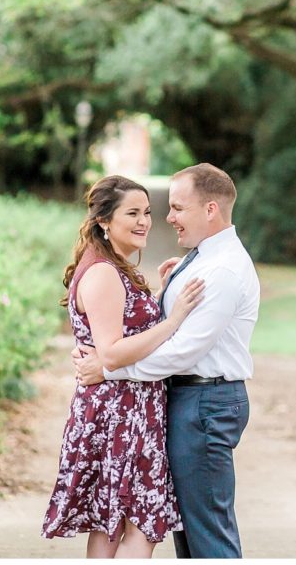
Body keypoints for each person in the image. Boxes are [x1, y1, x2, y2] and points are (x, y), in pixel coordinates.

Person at [74, 163, 260, 559]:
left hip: (205, 404)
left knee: (207, 531)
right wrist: (163, 296)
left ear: (210, 209)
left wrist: (109, 369)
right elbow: (155, 329)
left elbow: (183, 350)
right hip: (186, 402)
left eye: (176, 207)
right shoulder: (200, 258)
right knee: (188, 531)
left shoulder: (222, 268)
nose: (166, 218)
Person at [42, 175, 207, 558]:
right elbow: (113, 353)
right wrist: (174, 319)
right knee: (139, 526)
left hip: (124, 407)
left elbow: (116, 339)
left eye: (147, 212)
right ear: (104, 220)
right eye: (132, 213)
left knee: (111, 523)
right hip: (121, 413)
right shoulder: (103, 273)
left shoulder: (110, 266)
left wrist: (162, 293)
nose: (144, 221)